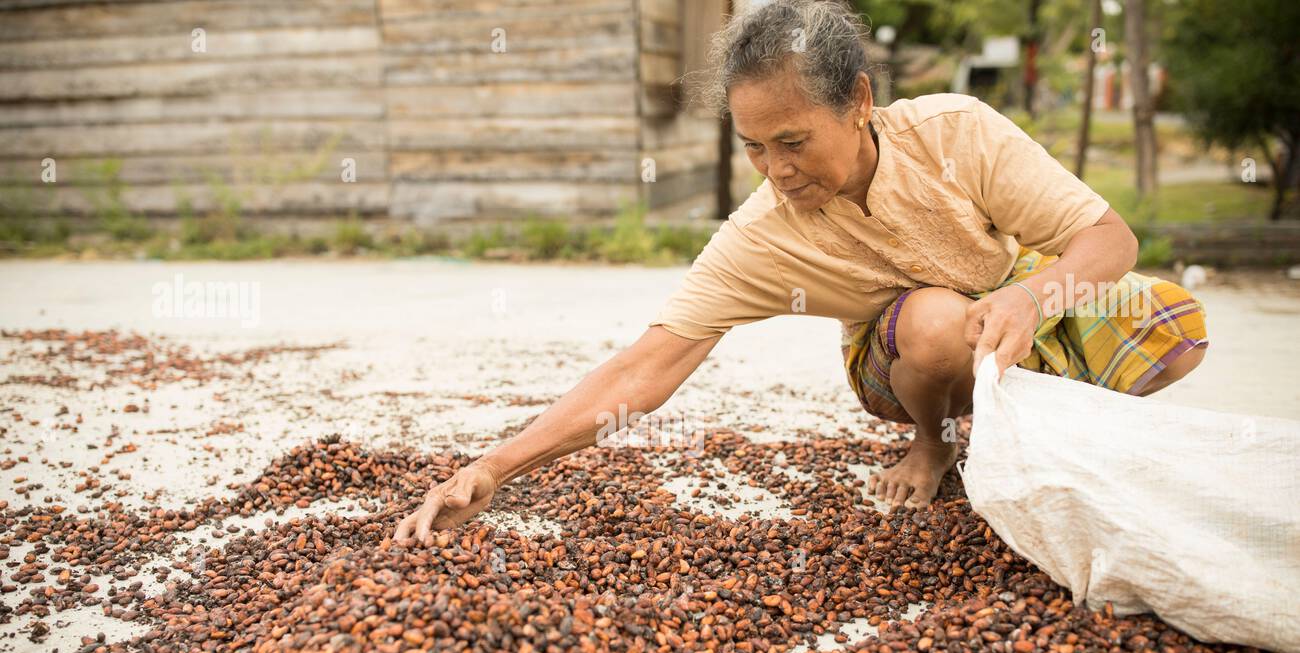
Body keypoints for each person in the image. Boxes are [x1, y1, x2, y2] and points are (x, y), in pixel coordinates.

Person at [394, 0, 1208, 546]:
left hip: (1016, 299)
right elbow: (646, 363)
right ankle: (934, 446)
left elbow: (1108, 237)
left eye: (792, 141)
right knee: (934, 320)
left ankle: (1034, 417)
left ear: (857, 100)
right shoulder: (763, 235)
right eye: (753, 147)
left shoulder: (958, 134)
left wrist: (1034, 294)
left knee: (1178, 331)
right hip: (906, 358)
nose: (775, 170)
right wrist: (495, 465)